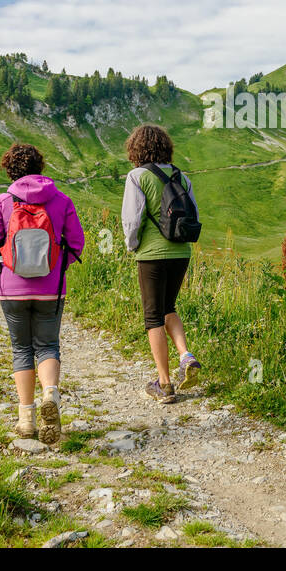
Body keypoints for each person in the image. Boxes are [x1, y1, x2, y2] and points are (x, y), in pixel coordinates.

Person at [0, 143, 84, 442]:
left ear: (10, 170)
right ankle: (50, 393)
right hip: (51, 289)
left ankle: (26, 419)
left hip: (12, 289)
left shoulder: (2, 201)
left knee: (21, 349)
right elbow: (76, 243)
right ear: (40, 167)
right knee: (48, 345)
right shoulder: (62, 200)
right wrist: (59, 266)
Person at [121, 124, 201, 404]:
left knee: (153, 317)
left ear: (136, 148)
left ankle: (165, 383)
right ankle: (185, 355)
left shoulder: (137, 176)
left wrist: (133, 245)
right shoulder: (182, 177)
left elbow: (133, 220)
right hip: (181, 253)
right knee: (169, 308)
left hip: (151, 255)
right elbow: (194, 214)